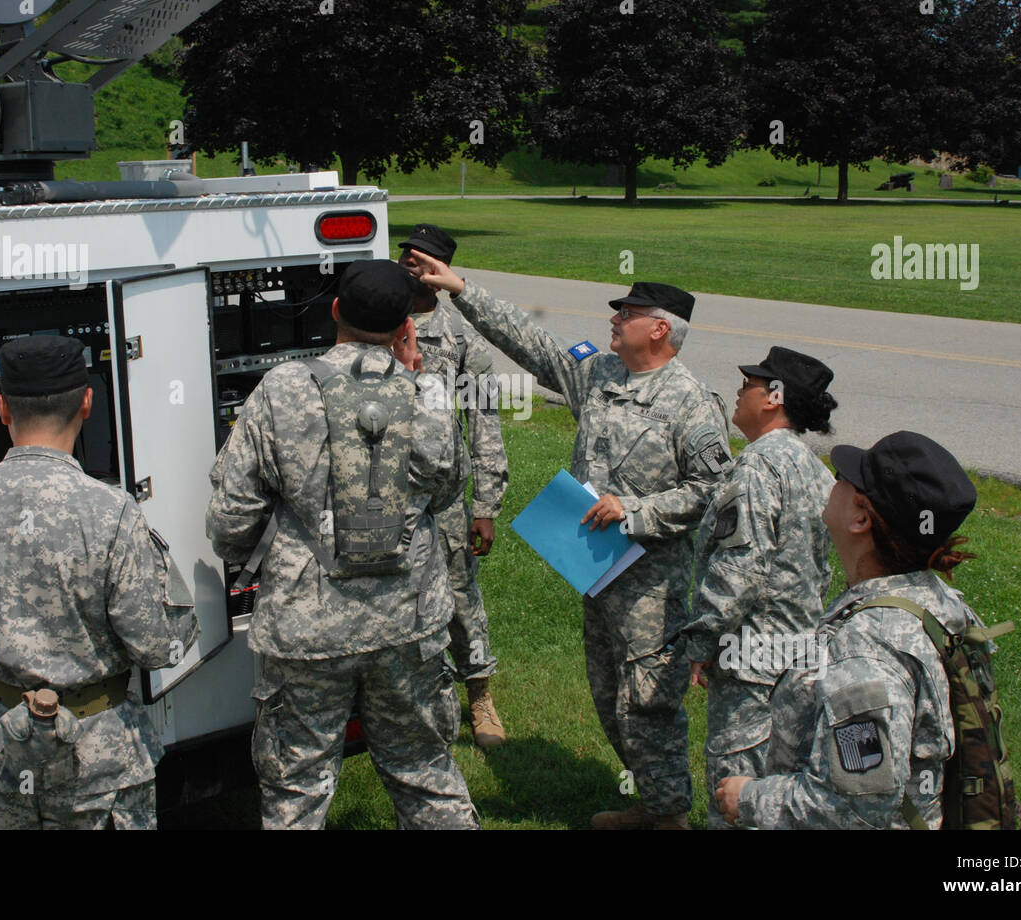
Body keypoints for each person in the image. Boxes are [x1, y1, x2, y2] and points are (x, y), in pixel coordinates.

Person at [418, 257, 731, 830]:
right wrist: (461, 290)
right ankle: (650, 802)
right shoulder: (600, 373)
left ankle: (670, 819)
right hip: (595, 570)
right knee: (610, 696)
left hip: (650, 587)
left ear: (660, 328)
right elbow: (530, 340)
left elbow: (713, 490)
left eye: (628, 313)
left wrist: (634, 511)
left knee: (648, 704)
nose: (614, 320)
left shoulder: (690, 401)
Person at [206, 259, 479, 830]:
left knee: (297, 788)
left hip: (307, 630)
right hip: (409, 622)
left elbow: (232, 522)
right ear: (407, 325)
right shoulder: (425, 392)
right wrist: (413, 379)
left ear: (334, 312)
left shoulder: (282, 388)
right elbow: (451, 487)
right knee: (426, 772)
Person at [0, 335, 200, 829]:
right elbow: (157, 643)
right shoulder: (113, 513)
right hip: (98, 761)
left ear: (1, 408)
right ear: (87, 401)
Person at [715, 431, 985, 829]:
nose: (835, 478)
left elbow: (854, 808)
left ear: (861, 518)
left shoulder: (867, 651)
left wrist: (750, 797)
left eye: (847, 477)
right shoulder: (934, 599)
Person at [686, 347, 837, 828]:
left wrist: (702, 641)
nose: (739, 389)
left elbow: (739, 568)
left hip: (751, 662)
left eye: (751, 383)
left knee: (737, 797)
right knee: (779, 796)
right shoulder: (817, 470)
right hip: (800, 657)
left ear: (774, 397)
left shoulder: (756, 468)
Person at [398, 223, 511, 748]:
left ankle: (480, 695)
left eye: (421, 262)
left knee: (460, 594)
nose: (410, 268)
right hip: (389, 492)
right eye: (405, 257)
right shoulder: (379, 322)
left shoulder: (461, 335)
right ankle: (414, 695)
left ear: (441, 273)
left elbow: (484, 421)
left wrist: (485, 504)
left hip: (443, 498)